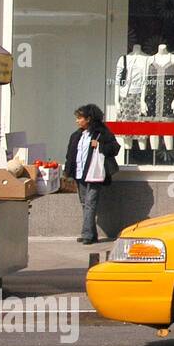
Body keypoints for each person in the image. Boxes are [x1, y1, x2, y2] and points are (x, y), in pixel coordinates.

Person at [63, 103, 120, 244]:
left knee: (90, 203)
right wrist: (67, 172)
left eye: (80, 118)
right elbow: (70, 155)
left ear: (88, 119)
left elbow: (115, 148)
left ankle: (87, 234)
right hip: (80, 173)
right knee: (84, 203)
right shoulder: (76, 135)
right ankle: (91, 233)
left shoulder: (102, 133)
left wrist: (99, 145)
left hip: (95, 173)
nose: (77, 121)